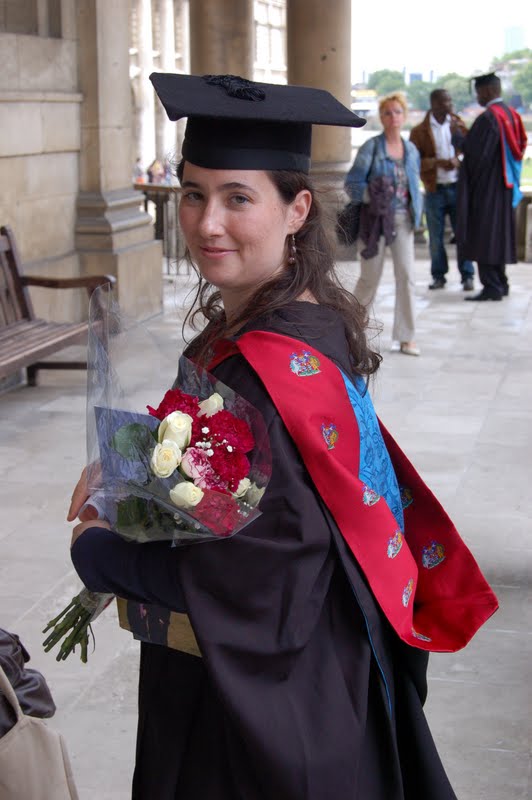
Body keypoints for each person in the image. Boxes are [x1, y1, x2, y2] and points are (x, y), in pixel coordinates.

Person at [67, 73, 498, 800]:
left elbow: (257, 589)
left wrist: (98, 552)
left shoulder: (267, 372)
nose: (207, 223)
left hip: (263, 721)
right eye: (195, 193)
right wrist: (135, 466)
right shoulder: (306, 325)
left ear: (297, 209)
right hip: (327, 669)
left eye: (239, 198)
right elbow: (250, 489)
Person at [344, 92, 422, 356]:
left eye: (397, 112)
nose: (393, 117)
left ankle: (406, 337)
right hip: (374, 220)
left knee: (407, 276)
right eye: (388, 112)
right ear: (382, 117)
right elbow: (352, 183)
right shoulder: (371, 147)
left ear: (405, 115)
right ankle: (352, 334)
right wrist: (374, 197)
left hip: (403, 219)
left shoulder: (411, 150)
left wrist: (417, 215)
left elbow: (414, 187)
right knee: (369, 278)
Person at [457, 72, 527, 301]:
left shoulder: (489, 118)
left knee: (485, 236)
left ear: (488, 91)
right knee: (499, 237)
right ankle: (501, 282)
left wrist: (458, 139)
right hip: (506, 186)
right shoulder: (511, 114)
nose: (477, 96)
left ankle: (492, 287)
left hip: (487, 190)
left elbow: (476, 156)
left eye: (478, 92)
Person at [409, 89, 475, 291]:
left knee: (463, 233)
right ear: (434, 104)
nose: (449, 104)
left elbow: (470, 152)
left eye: (450, 100)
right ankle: (439, 276)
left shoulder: (459, 125)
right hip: (434, 189)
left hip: (457, 188)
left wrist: (457, 160)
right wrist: (437, 163)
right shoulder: (419, 131)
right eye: (445, 101)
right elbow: (413, 162)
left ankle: (467, 275)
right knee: (436, 237)